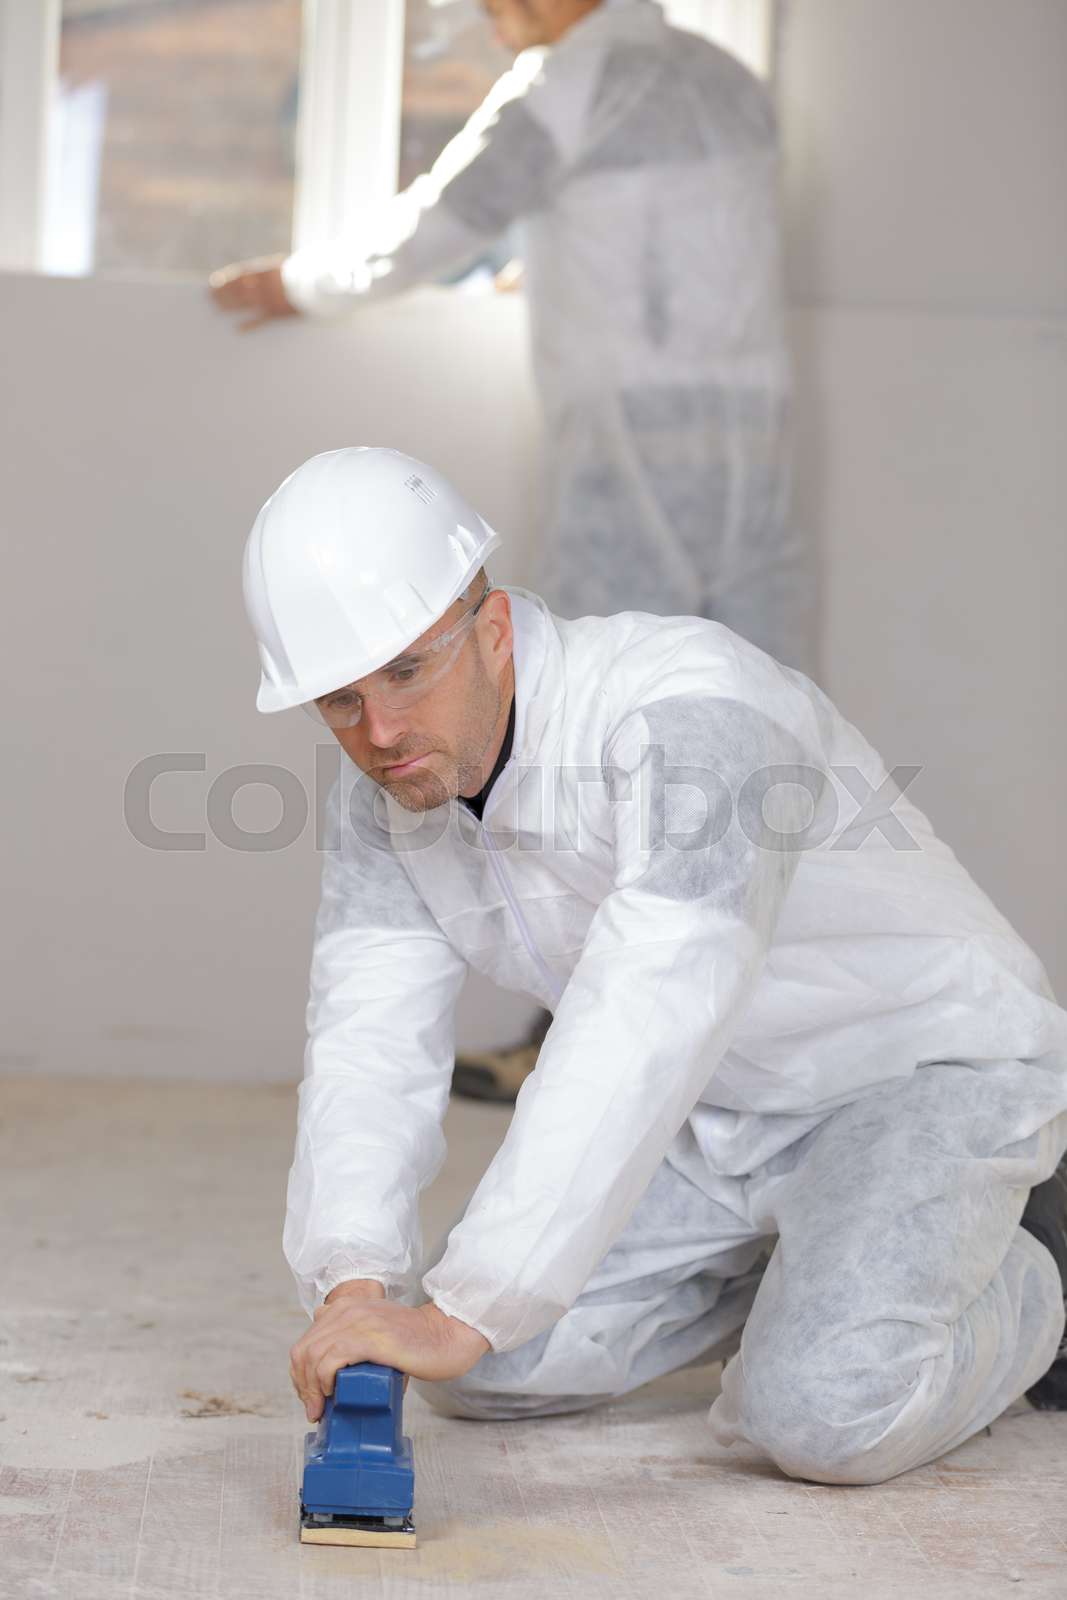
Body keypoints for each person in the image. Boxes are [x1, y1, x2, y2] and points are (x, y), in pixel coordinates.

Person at [244, 447, 1067, 1487]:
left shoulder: (690, 713)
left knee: (820, 1417)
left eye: (406, 671)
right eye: (339, 700)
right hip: (716, 1107)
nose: (381, 733)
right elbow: (366, 1038)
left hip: (916, 1074)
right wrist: (353, 1282)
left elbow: (650, 1001)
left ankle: (1036, 1275)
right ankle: (809, 1265)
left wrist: (470, 1302)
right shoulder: (387, 808)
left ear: (490, 632)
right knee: (487, 1369)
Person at [213, 0, 807, 660]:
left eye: (496, 7)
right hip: (755, 419)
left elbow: (443, 223)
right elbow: (694, 238)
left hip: (628, 426)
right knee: (757, 662)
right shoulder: (727, 79)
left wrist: (300, 286)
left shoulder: (566, 84)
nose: (493, 27)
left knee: (610, 662)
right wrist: (559, 263)